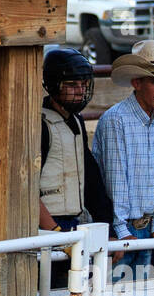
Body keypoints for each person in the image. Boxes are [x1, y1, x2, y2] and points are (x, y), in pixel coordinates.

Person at [92, 40, 154, 282]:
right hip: (120, 228)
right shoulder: (116, 120)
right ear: (137, 83)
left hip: (145, 226)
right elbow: (115, 180)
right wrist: (122, 229)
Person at [38, 49, 111, 233]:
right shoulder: (40, 124)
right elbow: (26, 185)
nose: (80, 91)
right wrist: (53, 230)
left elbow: (90, 177)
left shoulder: (76, 120)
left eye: (84, 84)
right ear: (54, 85)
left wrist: (107, 226)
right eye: (71, 85)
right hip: (47, 224)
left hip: (74, 221)